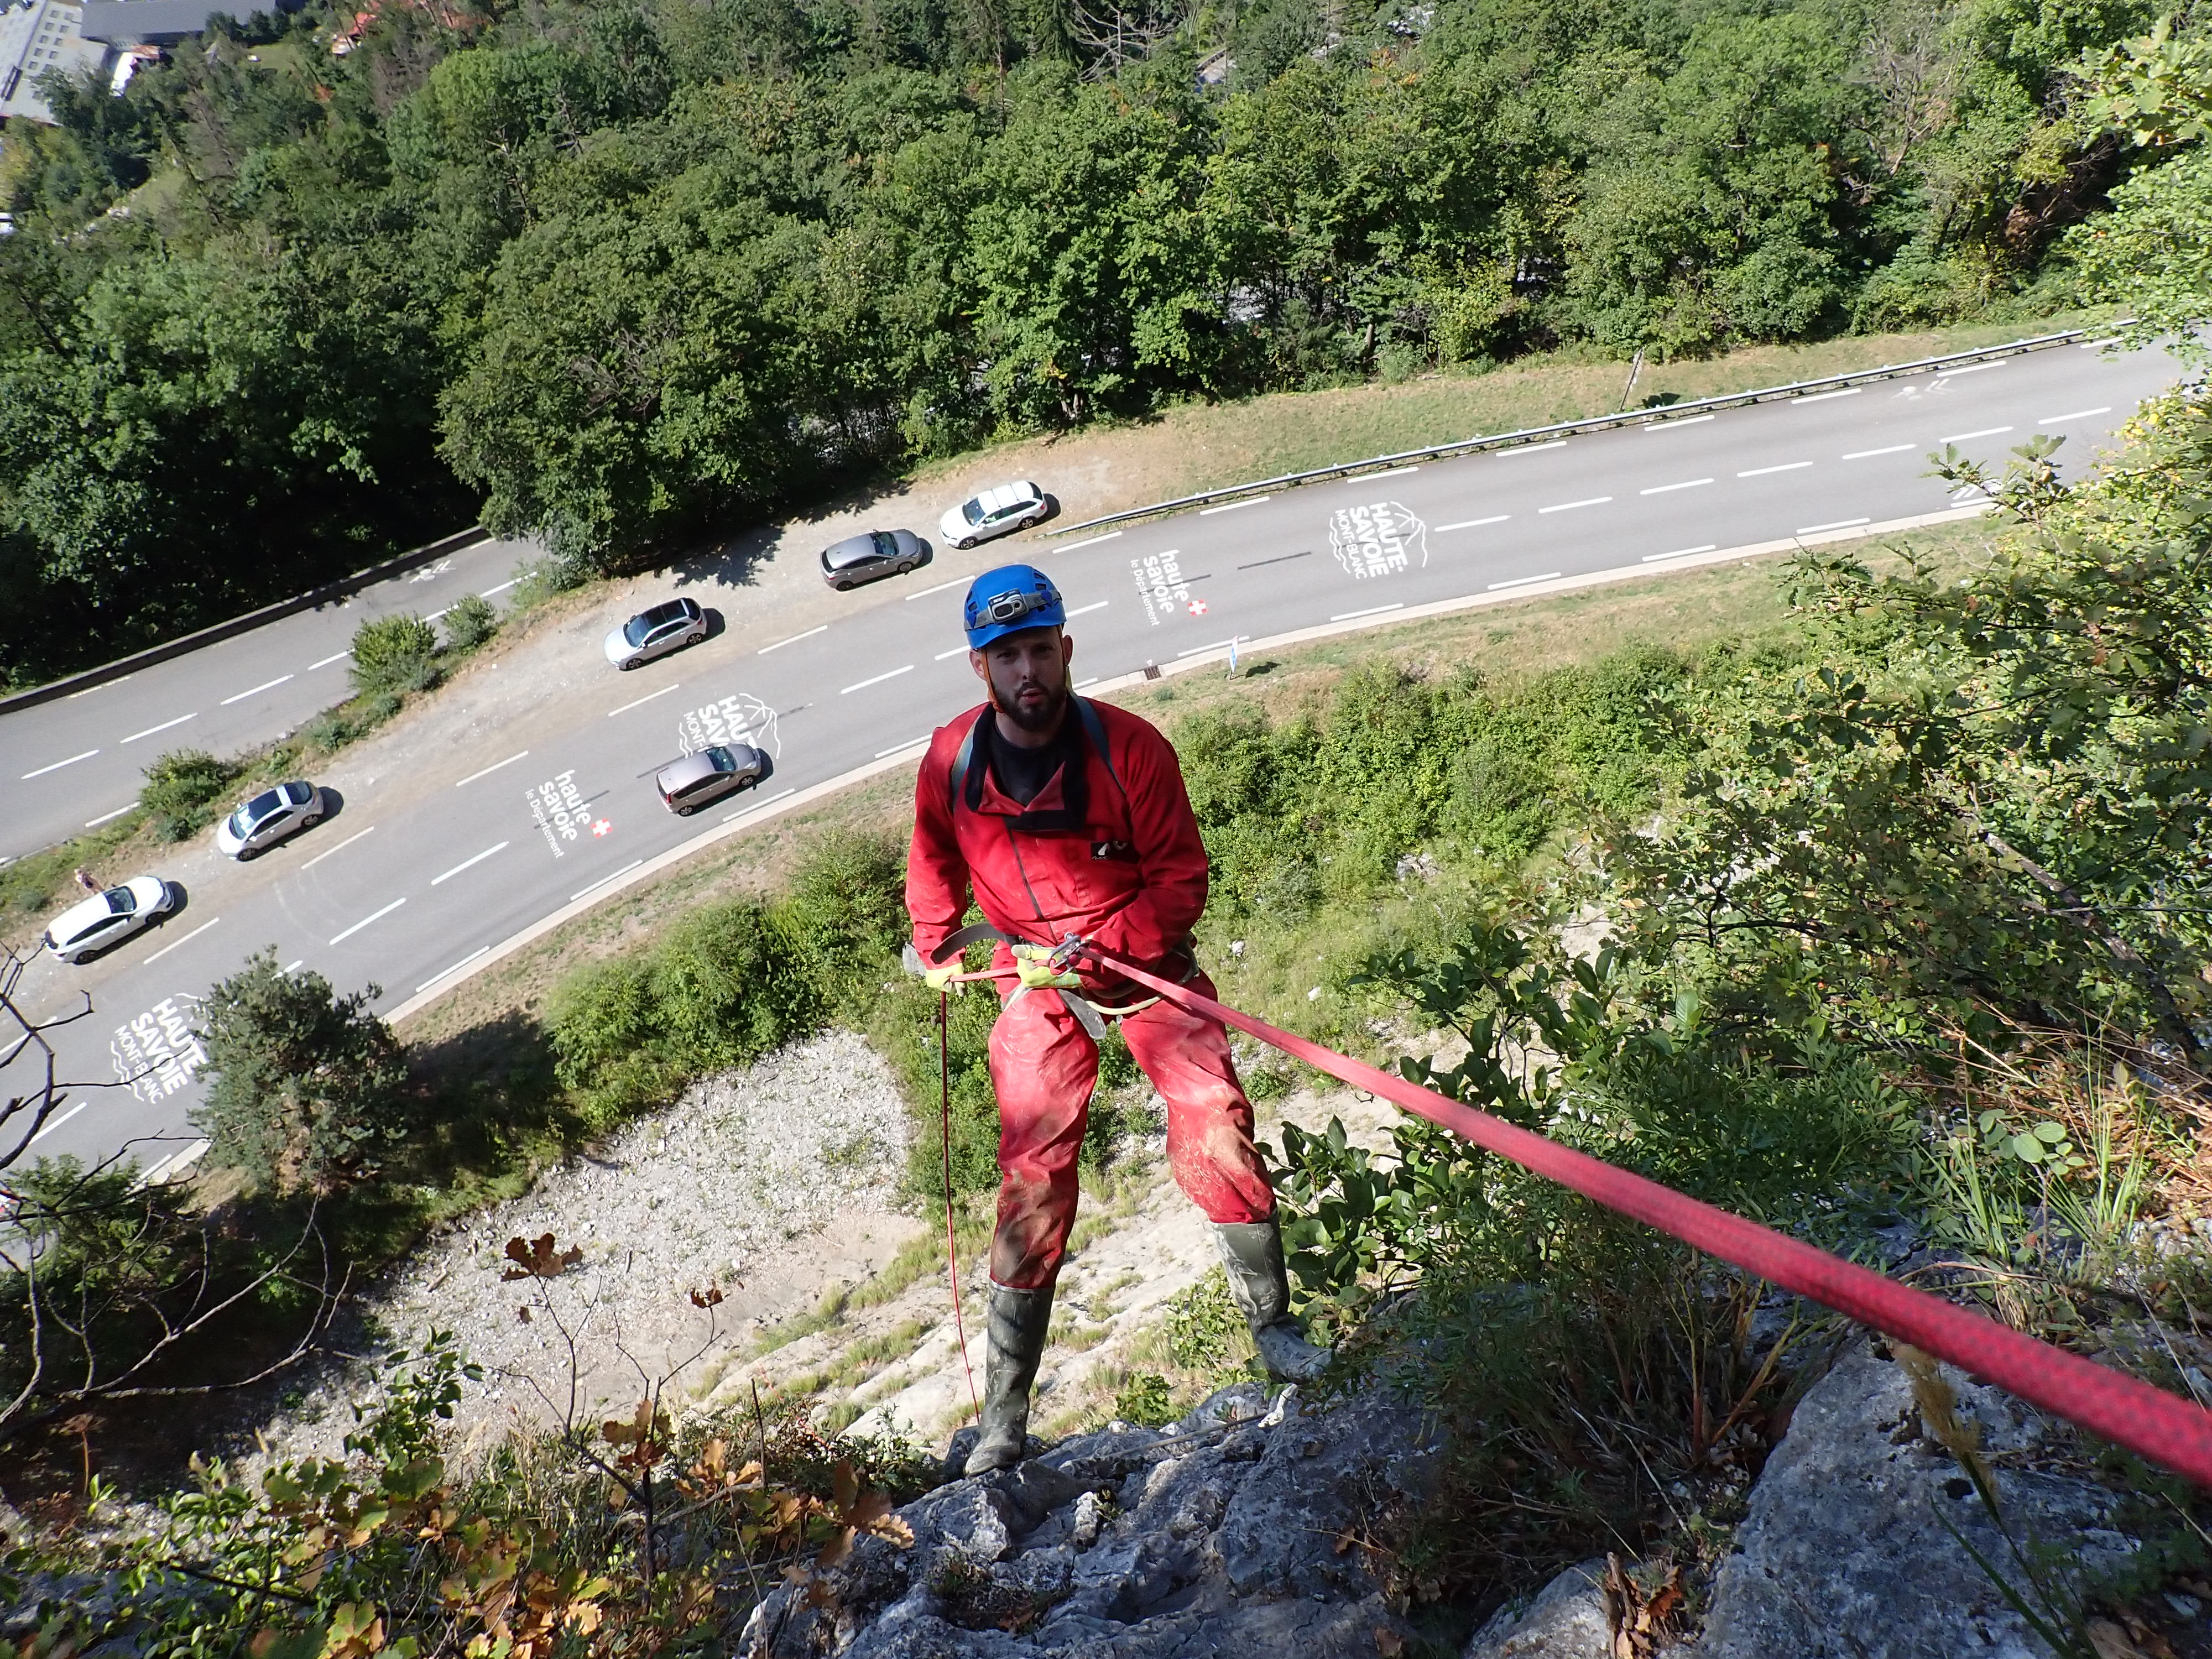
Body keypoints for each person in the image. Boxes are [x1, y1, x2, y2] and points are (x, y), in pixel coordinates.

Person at [905, 564, 1328, 1476]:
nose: (1027, 671)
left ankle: (1275, 1330)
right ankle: (1006, 1418)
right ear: (982, 668)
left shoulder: (1130, 749)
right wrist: (937, 945)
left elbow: (1181, 878)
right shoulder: (952, 759)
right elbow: (934, 856)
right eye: (1006, 656)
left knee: (1217, 1127)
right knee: (1033, 1176)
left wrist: (1110, 947)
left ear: (1066, 649)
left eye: (1039, 650)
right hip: (1033, 976)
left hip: (1138, 964)